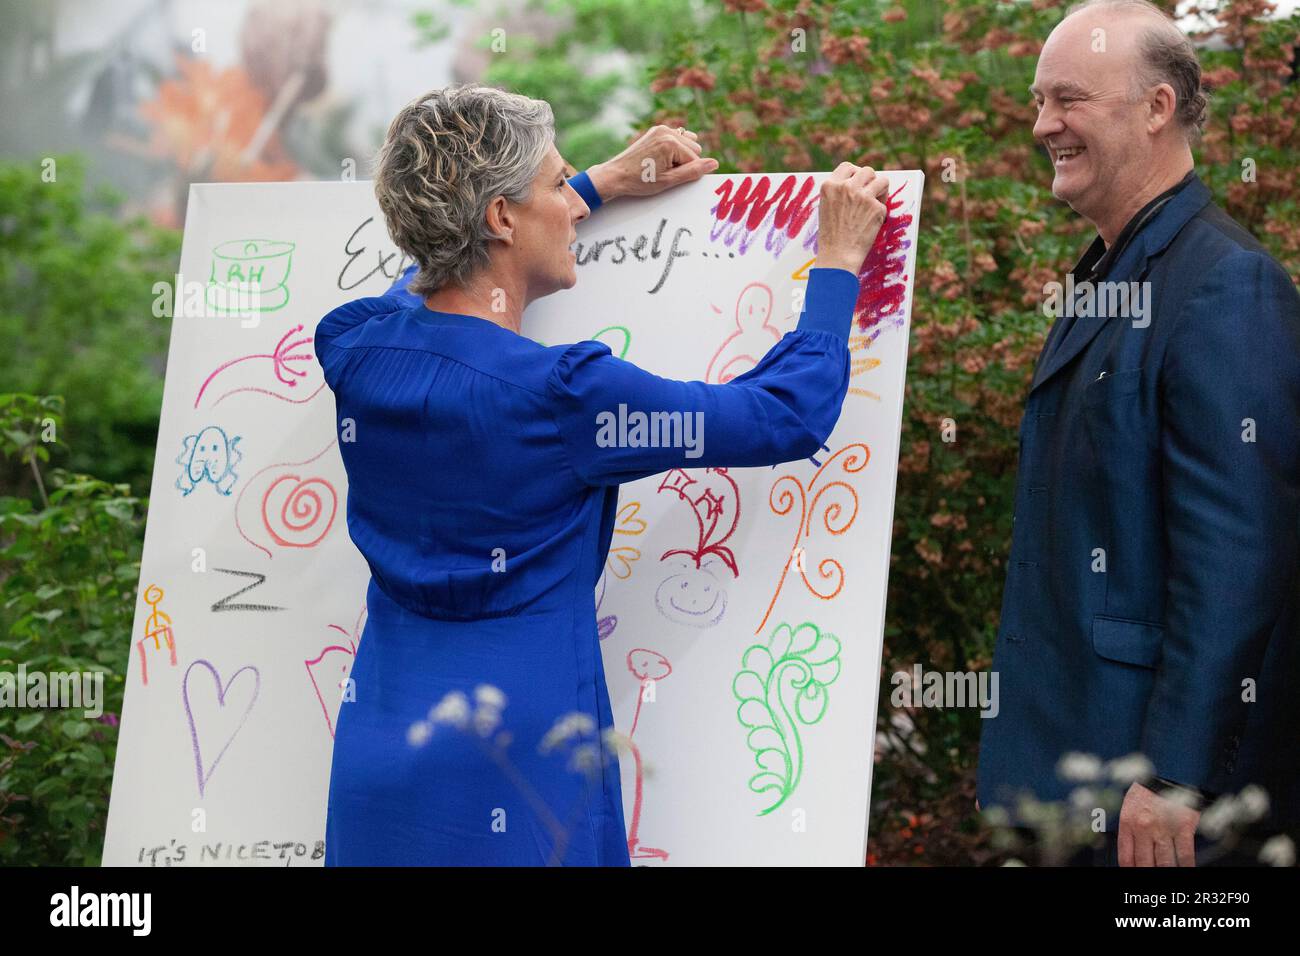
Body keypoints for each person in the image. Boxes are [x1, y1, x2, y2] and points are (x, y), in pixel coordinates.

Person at [316, 84, 890, 865]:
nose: (576, 206)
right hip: (520, 769)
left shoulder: (353, 349)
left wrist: (604, 181)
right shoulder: (566, 398)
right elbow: (783, 415)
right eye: (559, 185)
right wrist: (836, 263)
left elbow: (420, 284)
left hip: (378, 765)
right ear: (501, 218)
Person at [976, 0, 1300, 867]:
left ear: (1158, 107)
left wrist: (1177, 776)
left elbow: (1241, 556)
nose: (1044, 124)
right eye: (1040, 101)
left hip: (1150, 807)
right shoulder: (1112, 269)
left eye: (1069, 99)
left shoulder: (1228, 287)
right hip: (1068, 771)